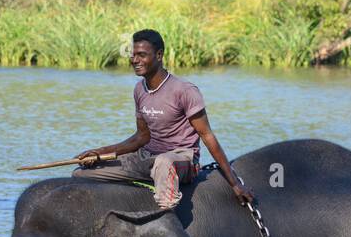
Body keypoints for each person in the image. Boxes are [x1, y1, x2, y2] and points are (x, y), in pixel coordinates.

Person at [73, 29, 251, 209]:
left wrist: (235, 184)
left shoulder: (184, 90)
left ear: (159, 55)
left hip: (182, 159)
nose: (135, 60)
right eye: (133, 55)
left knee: (163, 162)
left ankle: (167, 219)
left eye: (142, 55)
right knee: (82, 174)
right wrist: (99, 153)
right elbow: (141, 137)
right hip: (147, 158)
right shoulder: (139, 90)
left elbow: (207, 136)